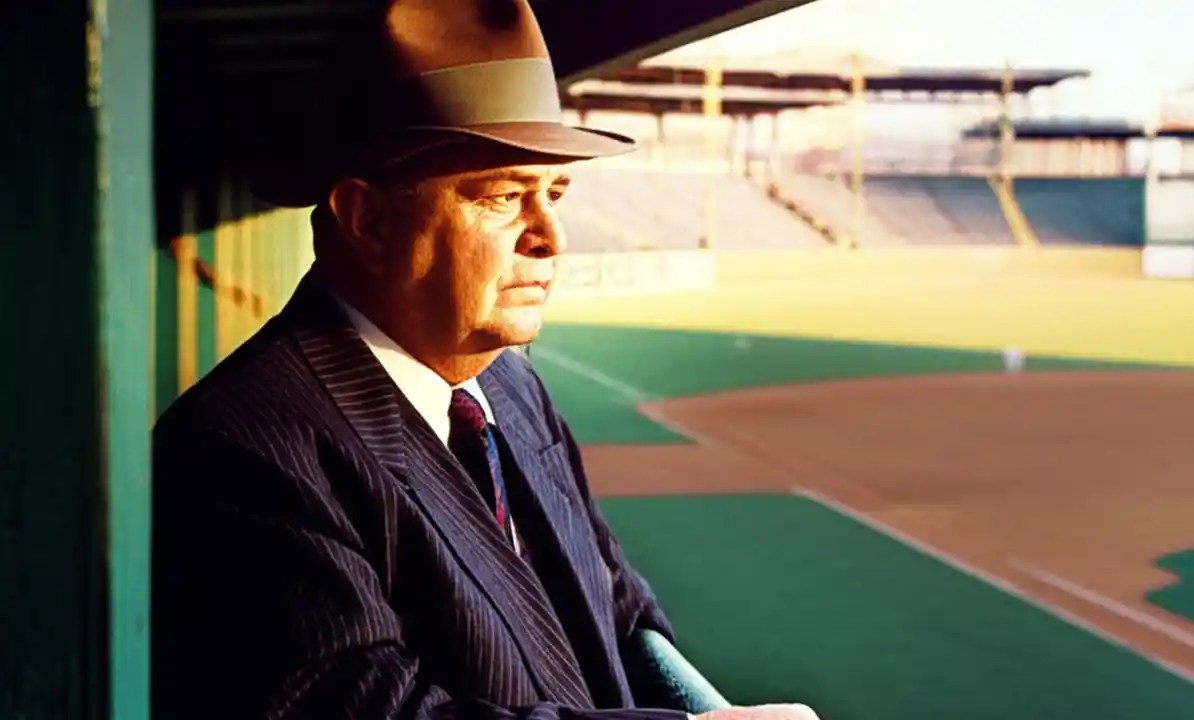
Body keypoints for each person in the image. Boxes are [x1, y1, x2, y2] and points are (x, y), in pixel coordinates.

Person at [152, 2, 821, 720]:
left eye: (555, 192)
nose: (551, 236)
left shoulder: (508, 383)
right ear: (369, 220)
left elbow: (620, 612)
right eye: (503, 195)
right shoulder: (242, 448)